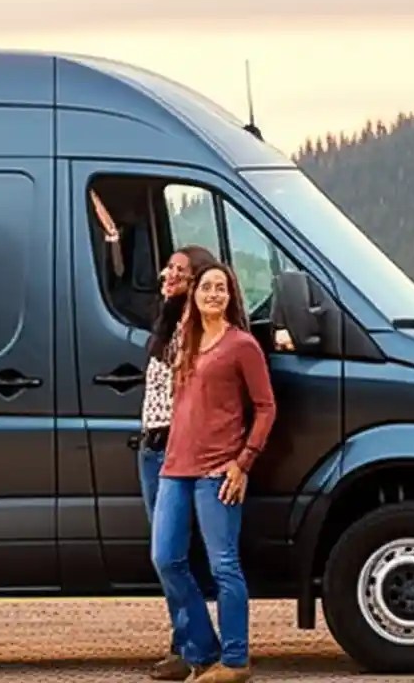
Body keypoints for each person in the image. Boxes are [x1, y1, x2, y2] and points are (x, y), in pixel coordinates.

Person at [152, 262, 277, 683]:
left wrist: (243, 463)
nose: (214, 294)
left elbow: (266, 407)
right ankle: (204, 651)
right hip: (175, 467)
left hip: (217, 471)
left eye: (221, 288)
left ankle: (236, 660)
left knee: (224, 565)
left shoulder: (242, 345)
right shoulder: (185, 343)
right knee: (166, 558)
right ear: (195, 294)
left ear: (231, 296)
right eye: (206, 287)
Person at [137, 243, 220, 681]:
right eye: (168, 267)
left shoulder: (200, 328)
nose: (169, 275)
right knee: (167, 555)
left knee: (172, 555)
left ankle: (203, 649)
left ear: (197, 280)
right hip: (151, 447)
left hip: (178, 448)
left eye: (180, 271)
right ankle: (183, 647)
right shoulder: (167, 320)